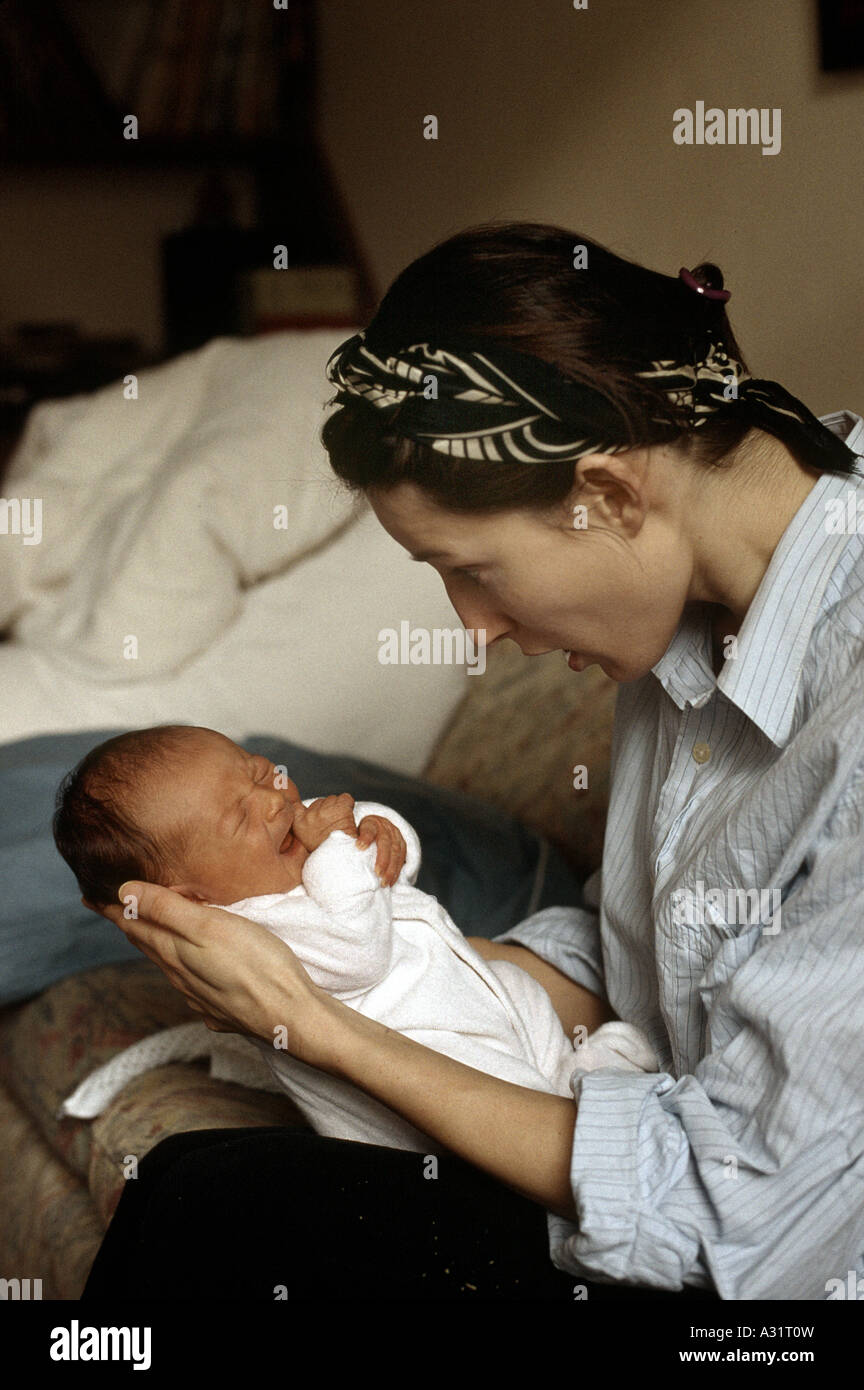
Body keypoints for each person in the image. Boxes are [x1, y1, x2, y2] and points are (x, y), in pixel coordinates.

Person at [83, 221, 864, 1302]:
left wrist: (319, 1027)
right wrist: (363, 966)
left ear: (610, 494)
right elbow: (655, 948)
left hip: (765, 1274)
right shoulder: (685, 606)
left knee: (214, 1216)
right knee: (197, 1179)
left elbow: (740, 1223)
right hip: (694, 1180)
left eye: (472, 569)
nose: (474, 630)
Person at [52, 723, 657, 1147]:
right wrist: (339, 844)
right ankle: (581, 1114)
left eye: (261, 773)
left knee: (535, 1008)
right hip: (431, 1087)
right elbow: (358, 948)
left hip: (479, 1007)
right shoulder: (250, 929)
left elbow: (384, 860)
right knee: (539, 1102)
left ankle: (580, 1081)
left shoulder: (290, 840)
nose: (271, 801)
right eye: (239, 817)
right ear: (189, 900)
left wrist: (381, 832)